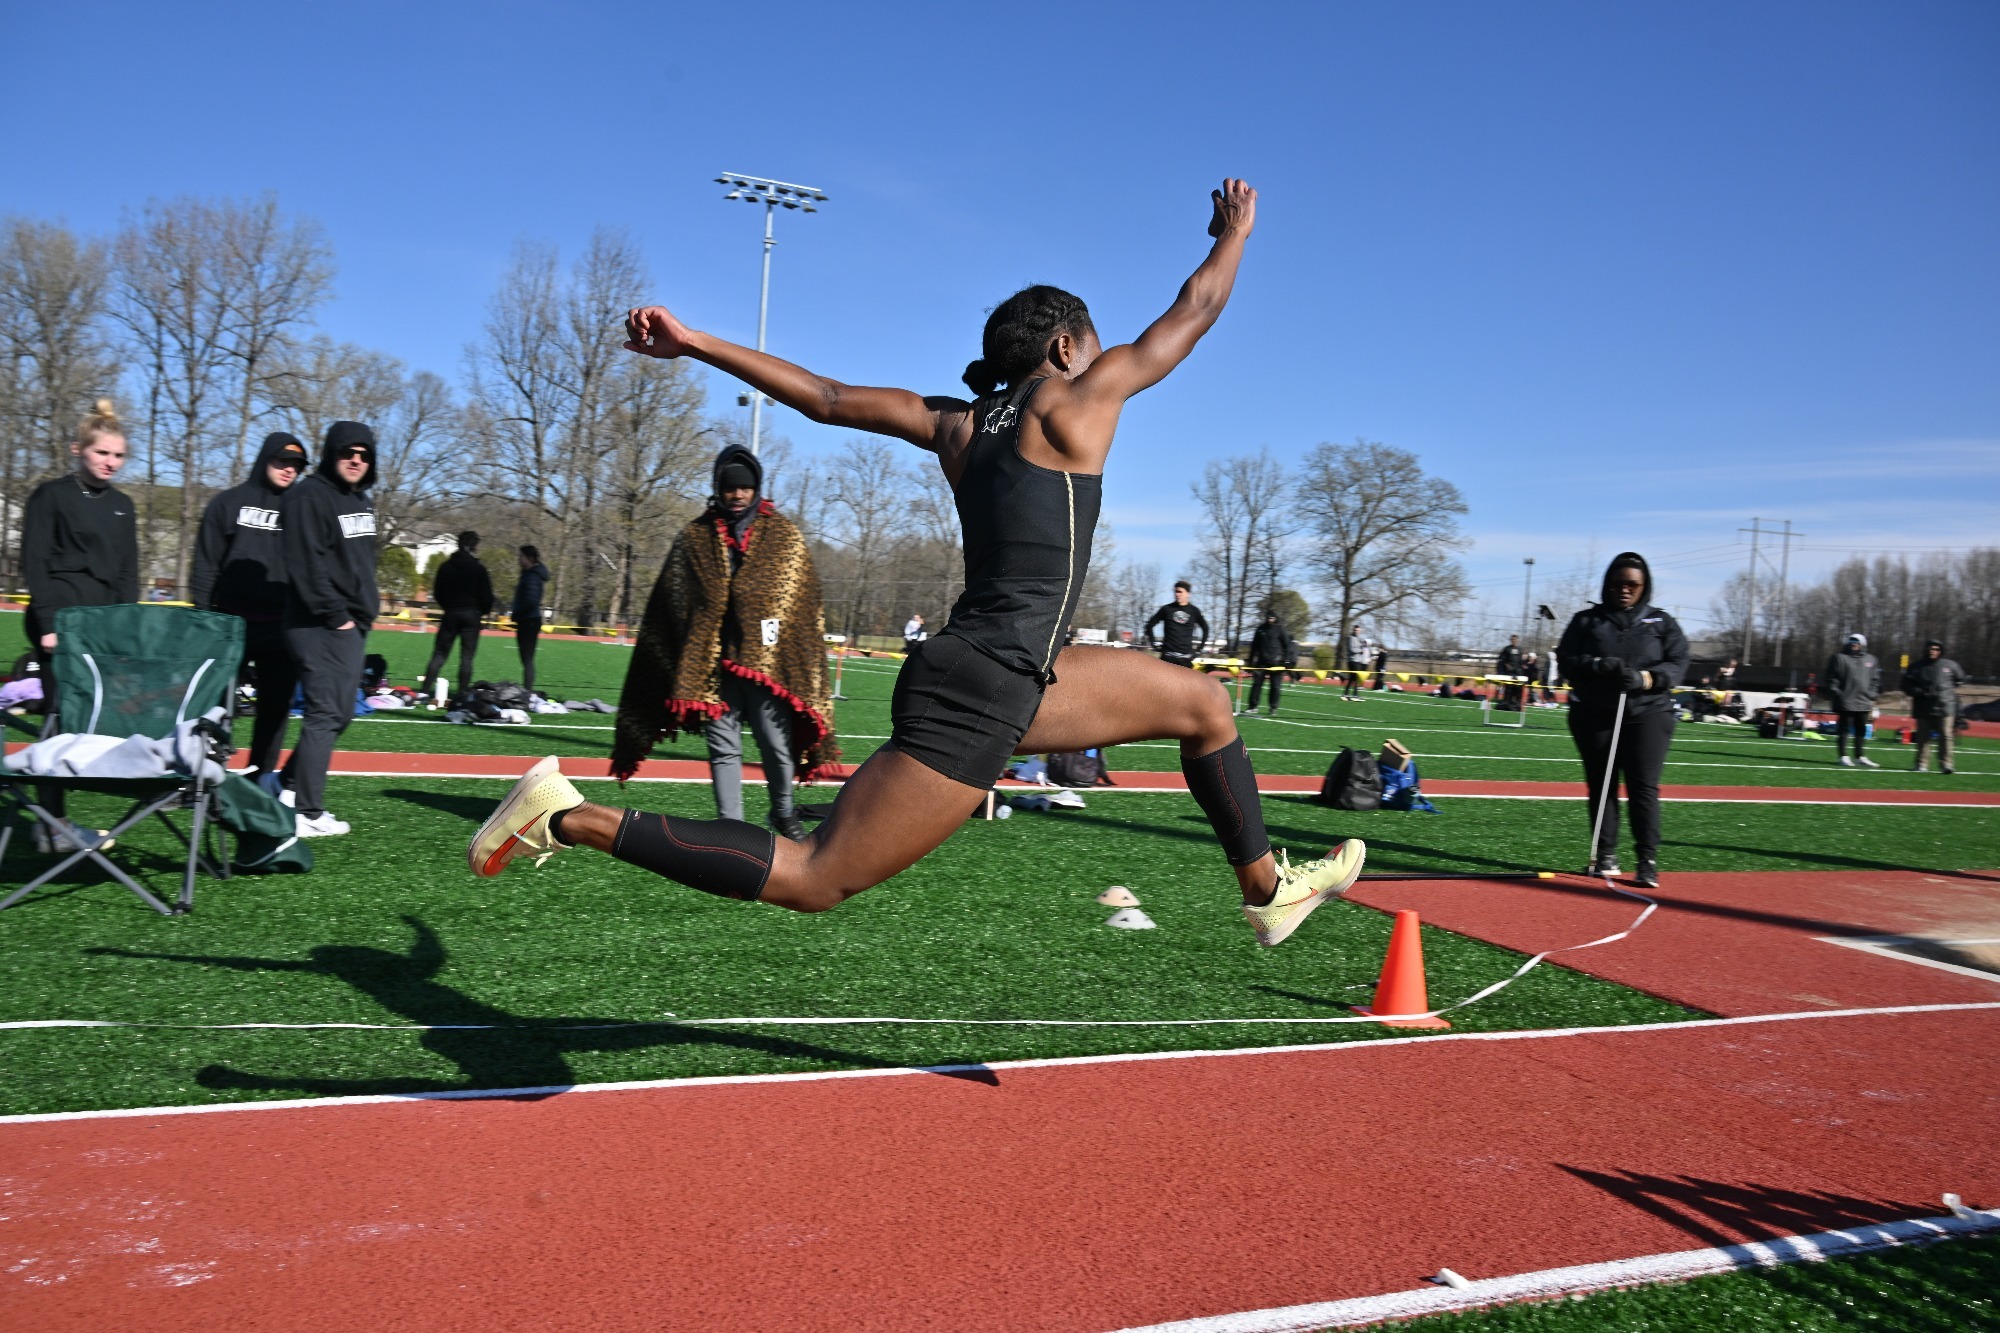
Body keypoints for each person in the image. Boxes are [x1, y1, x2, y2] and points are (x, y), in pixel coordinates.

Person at [473, 178, 1366, 947]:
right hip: (988, 684)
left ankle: (1264, 891)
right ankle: (568, 815)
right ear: (1063, 349)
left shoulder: (958, 425)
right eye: (1091, 346)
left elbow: (825, 398)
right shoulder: (1076, 400)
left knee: (1204, 702)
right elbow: (1196, 311)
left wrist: (695, 341)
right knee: (815, 876)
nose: (1103, 362)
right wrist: (1234, 235)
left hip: (1012, 672)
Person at [613, 445, 834, 843]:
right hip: (711, 667)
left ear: (756, 489)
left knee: (776, 746)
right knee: (723, 749)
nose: (737, 495)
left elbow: (802, 599)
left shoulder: (783, 535)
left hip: (769, 666)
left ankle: (783, 811)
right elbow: (671, 601)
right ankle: (731, 828)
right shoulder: (694, 537)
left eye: (746, 488)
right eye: (730, 488)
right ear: (718, 488)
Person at [20, 399, 139, 851]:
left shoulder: (124, 505)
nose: (110, 462)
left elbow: (128, 573)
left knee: (97, 716)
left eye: (118, 455)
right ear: (78, 450)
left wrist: (125, 630)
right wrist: (49, 625)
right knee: (60, 717)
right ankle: (51, 824)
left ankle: (160, 791)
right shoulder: (51, 496)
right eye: (101, 453)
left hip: (103, 626)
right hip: (60, 622)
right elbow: (36, 563)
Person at [1555, 553, 1689, 889]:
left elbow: (1679, 663)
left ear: (1644, 587)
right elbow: (1566, 661)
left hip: (1648, 712)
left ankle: (1648, 860)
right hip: (1595, 713)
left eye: (1632, 584)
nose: (1624, 590)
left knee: (1643, 786)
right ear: (1607, 585)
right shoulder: (1587, 620)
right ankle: (1605, 855)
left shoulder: (1661, 622)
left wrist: (1646, 679)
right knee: (1602, 786)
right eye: (1618, 584)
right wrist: (1599, 664)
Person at [190, 431, 311, 785]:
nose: (289, 469)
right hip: (230, 624)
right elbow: (205, 565)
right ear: (264, 459)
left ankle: (260, 777)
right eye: (282, 461)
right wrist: (204, 617)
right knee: (214, 705)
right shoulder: (228, 503)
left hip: (282, 626)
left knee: (274, 710)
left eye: (297, 466)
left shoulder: (303, 510)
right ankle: (202, 774)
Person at [279, 421, 379, 837]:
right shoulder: (308, 496)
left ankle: (285, 785)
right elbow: (306, 564)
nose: (356, 460)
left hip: (350, 624)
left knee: (339, 714)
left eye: (364, 454)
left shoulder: (362, 501)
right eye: (347, 452)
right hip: (318, 623)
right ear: (331, 453)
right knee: (324, 712)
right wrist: (335, 615)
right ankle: (307, 811)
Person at [421, 531, 495, 702]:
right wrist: (480, 611)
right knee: (466, 657)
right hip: (472, 614)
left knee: (439, 654)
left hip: (451, 613)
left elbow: (438, 592)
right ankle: (462, 693)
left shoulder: (446, 567)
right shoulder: (478, 569)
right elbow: (487, 596)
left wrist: (448, 606)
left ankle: (424, 690)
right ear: (474, 546)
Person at [1902, 639, 1964, 775]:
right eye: (1930, 649)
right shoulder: (1916, 667)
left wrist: (1945, 693)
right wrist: (1919, 691)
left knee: (1946, 736)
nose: (1933, 651)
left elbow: (1959, 680)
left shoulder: (1950, 665)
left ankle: (1946, 764)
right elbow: (1905, 685)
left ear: (1940, 651)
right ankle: (1921, 764)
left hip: (1944, 707)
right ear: (1925, 650)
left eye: (1936, 649)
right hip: (1923, 707)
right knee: (1923, 737)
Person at [1822, 632, 1881, 769]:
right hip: (1845, 701)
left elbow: (1875, 680)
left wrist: (1872, 694)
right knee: (1844, 729)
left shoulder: (1871, 660)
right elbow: (1831, 678)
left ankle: (1860, 756)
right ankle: (1843, 756)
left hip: (1863, 701)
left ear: (1863, 645)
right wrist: (1838, 694)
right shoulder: (1839, 658)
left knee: (1861, 729)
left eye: (1857, 642)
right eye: (1851, 642)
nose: (1854, 645)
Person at [1144, 581, 1208, 668]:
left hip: (1185, 659)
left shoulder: (1194, 611)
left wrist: (1199, 649)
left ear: (1188, 594)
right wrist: (1153, 643)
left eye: (1180, 592)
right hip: (1168, 658)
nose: (1177, 594)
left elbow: (1206, 628)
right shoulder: (1166, 609)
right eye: (1176, 592)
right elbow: (1149, 625)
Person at [513, 544, 550, 694]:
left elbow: (531, 601)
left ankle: (527, 691)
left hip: (529, 620)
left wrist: (517, 613)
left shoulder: (532, 576)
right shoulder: (529, 574)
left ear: (530, 558)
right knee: (526, 658)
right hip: (528, 619)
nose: (519, 560)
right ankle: (527, 689)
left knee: (527, 659)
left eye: (521, 557)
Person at [1243, 609, 1294, 714]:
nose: (1270, 619)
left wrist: (1287, 660)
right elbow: (1254, 646)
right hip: (1261, 662)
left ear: (1275, 618)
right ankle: (1253, 706)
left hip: (1276, 663)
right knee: (1256, 684)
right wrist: (1250, 660)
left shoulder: (1280, 629)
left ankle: (1273, 707)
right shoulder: (1260, 629)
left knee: (1275, 686)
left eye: (1272, 617)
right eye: (1268, 617)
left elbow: (1287, 646)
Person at [1496, 634, 1526, 710]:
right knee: (1509, 687)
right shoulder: (1507, 649)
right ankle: (1507, 701)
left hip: (1518, 672)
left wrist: (1523, 664)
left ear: (1518, 640)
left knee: (1518, 688)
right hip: (1509, 672)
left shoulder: (1520, 650)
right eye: (1512, 640)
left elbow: (1521, 661)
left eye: (1515, 640)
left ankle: (1517, 702)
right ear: (1510, 640)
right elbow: (1502, 659)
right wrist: (1506, 665)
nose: (1514, 641)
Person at [1344, 624, 1370, 699]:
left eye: (1358, 630)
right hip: (1352, 660)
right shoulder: (1351, 638)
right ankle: (1355, 694)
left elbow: (1360, 647)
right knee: (1355, 678)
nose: (1357, 631)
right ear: (1353, 630)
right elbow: (1352, 649)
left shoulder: (1359, 638)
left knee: (1353, 678)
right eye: (1355, 630)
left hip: (1357, 661)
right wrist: (1360, 650)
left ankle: (1346, 694)